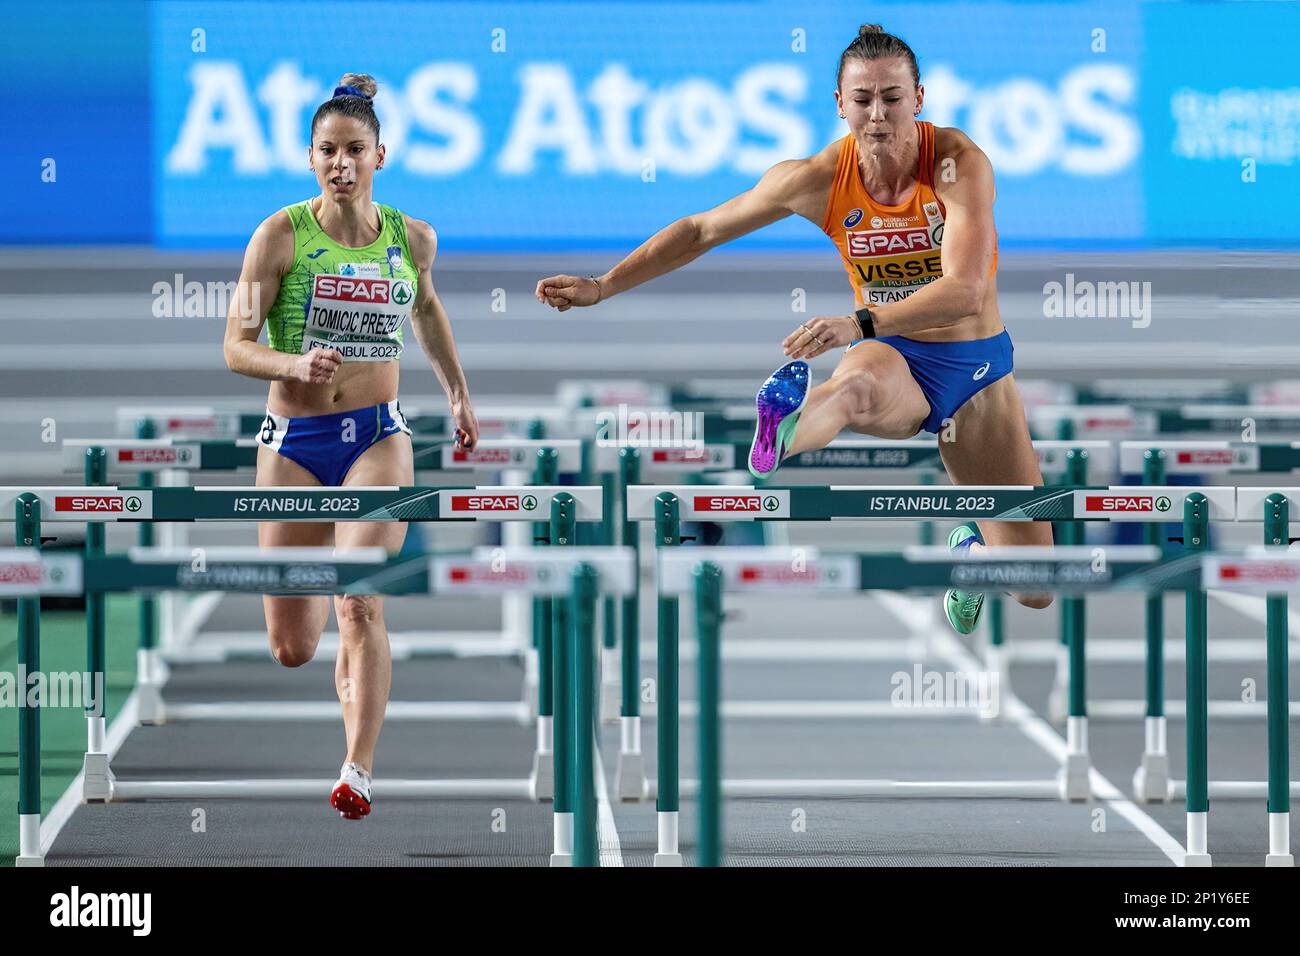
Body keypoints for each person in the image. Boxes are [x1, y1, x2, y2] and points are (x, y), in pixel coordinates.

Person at [535, 26, 1052, 634]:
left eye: (892, 97)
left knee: (1036, 586)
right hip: (895, 356)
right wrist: (604, 285)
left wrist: (858, 321)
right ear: (840, 103)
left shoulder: (957, 164)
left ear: (920, 98)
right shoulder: (816, 178)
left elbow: (965, 293)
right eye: (863, 100)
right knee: (850, 390)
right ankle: (776, 437)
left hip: (976, 366)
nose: (878, 115)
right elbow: (702, 230)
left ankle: (975, 551)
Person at [223, 73, 479, 818]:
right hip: (294, 443)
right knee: (293, 646)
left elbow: (428, 313)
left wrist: (457, 392)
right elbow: (235, 345)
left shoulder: (413, 238)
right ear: (310, 158)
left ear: (380, 155)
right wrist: (292, 363)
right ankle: (341, 727)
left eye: (354, 150)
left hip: (376, 438)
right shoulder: (277, 237)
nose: (342, 163)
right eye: (327, 151)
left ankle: (357, 769)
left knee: (359, 602)